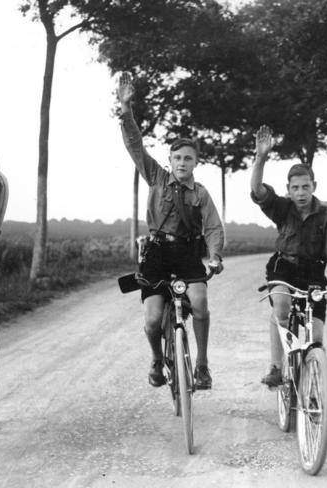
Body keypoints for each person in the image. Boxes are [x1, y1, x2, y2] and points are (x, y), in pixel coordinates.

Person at [116, 72, 224, 390]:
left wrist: (214, 256)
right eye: (177, 158)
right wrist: (126, 109)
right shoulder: (158, 178)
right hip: (157, 252)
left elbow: (214, 227)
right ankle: (156, 359)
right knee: (151, 319)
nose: (181, 163)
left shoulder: (200, 193)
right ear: (170, 160)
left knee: (201, 303)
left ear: (195, 162)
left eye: (188, 158)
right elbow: (135, 145)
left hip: (189, 252)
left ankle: (202, 365)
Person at [250, 125, 327, 387]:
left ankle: (312, 389)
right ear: (288, 189)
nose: (300, 193)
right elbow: (258, 191)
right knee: (282, 310)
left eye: (305, 187)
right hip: (283, 269)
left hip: (313, 274)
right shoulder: (283, 208)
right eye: (295, 188)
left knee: (316, 339)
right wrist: (261, 158)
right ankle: (276, 367)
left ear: (314, 186)